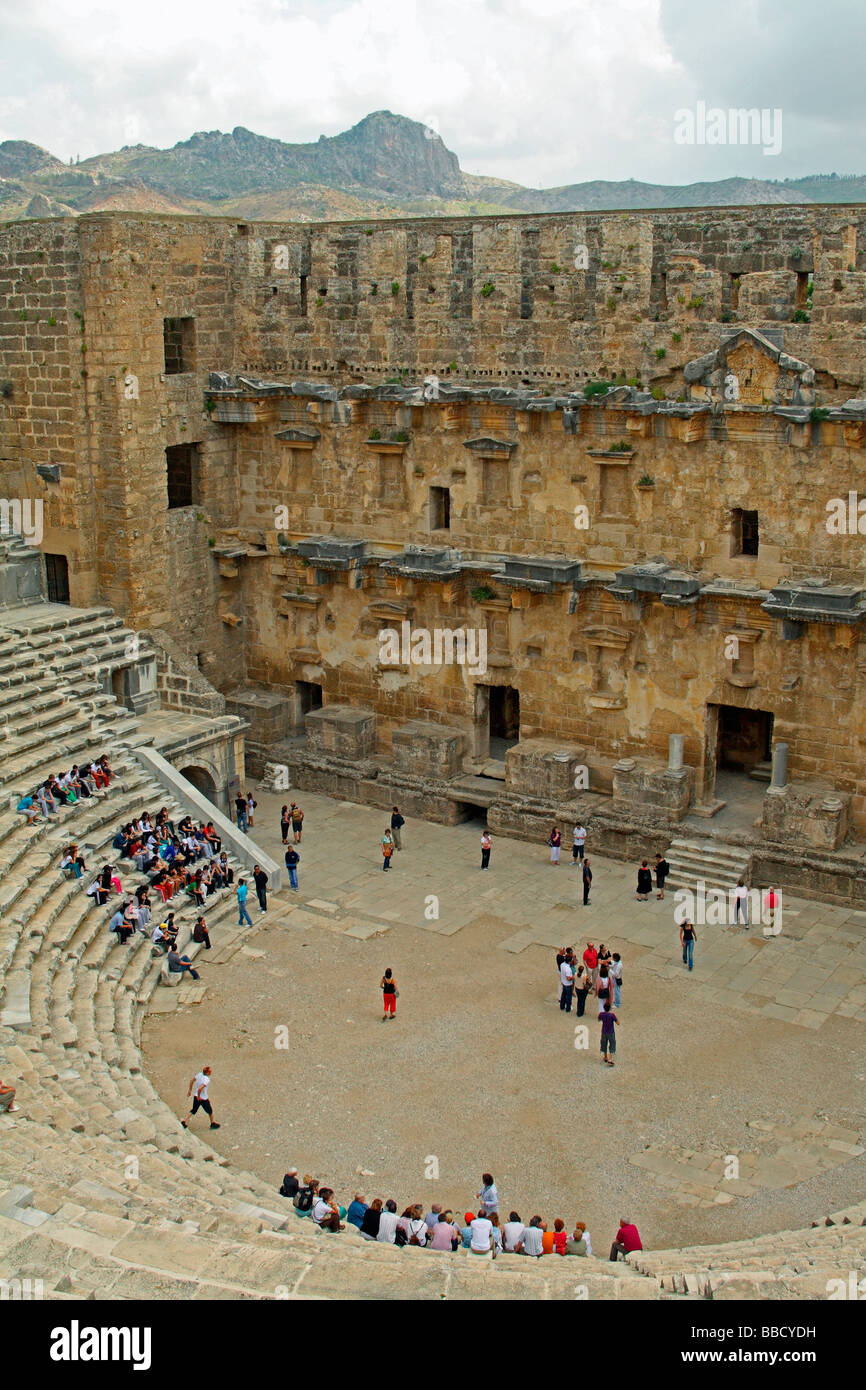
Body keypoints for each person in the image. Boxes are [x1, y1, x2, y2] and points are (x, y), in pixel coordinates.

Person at [599, 999, 619, 1066]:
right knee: (612, 1044)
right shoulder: (612, 1015)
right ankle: (610, 1059)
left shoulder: (601, 1014)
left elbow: (599, 1019)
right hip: (611, 1032)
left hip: (604, 1031)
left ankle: (605, 1057)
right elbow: (618, 1023)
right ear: (610, 1008)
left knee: (604, 1043)